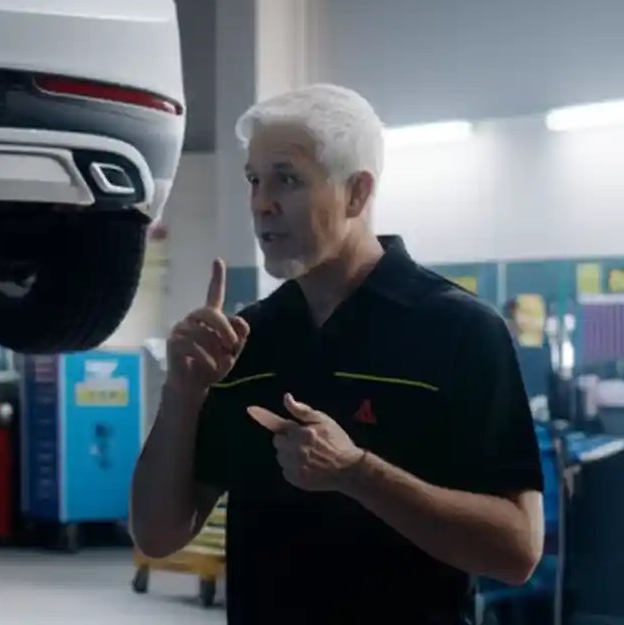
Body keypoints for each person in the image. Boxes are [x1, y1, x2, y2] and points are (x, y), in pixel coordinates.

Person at [130, 84, 545, 624]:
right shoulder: (246, 338)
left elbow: (517, 552)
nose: (261, 204)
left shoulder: (461, 332)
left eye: (288, 179)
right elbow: (159, 535)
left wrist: (356, 473)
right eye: (254, 180)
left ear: (356, 193)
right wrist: (182, 395)